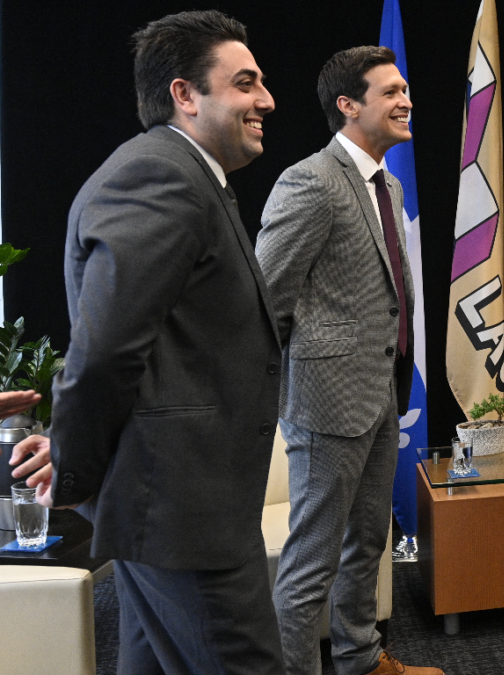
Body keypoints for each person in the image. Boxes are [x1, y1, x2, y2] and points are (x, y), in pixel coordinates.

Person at [8, 10, 286, 674]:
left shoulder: (190, 179)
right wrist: (76, 466)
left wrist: (89, 447)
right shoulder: (161, 179)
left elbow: (156, 356)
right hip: (187, 520)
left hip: (175, 505)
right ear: (185, 95)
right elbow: (103, 352)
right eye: (245, 83)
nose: (267, 100)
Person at [256, 47, 437, 675]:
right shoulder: (309, 181)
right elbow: (265, 299)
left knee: (369, 543)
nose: (406, 100)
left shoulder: (386, 182)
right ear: (348, 105)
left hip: (382, 395)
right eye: (390, 92)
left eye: (405, 89)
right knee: (312, 562)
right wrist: (285, 395)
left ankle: (361, 658)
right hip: (325, 405)